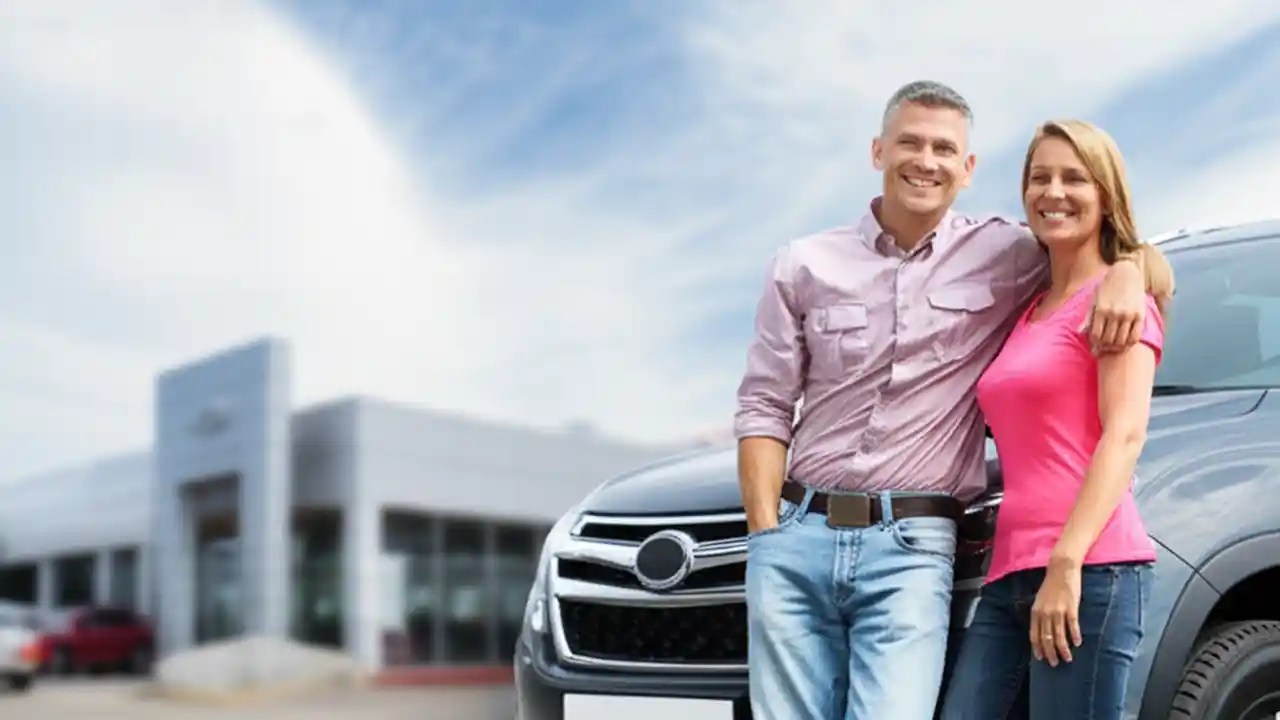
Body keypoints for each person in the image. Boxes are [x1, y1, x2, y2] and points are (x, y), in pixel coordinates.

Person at [733, 80, 1167, 720]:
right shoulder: (806, 265)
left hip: (952, 548)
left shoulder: (1049, 275)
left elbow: (1124, 425)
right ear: (878, 149)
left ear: (968, 170)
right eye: (910, 142)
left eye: (944, 148)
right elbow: (765, 403)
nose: (925, 160)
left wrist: (1133, 271)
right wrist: (765, 536)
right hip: (827, 541)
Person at [938, 120, 1173, 720]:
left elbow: (1124, 436)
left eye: (1074, 178)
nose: (1054, 192)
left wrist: (1067, 562)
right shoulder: (1031, 310)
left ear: (1105, 195)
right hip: (1010, 574)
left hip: (1090, 569)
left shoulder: (1120, 303)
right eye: (1039, 177)